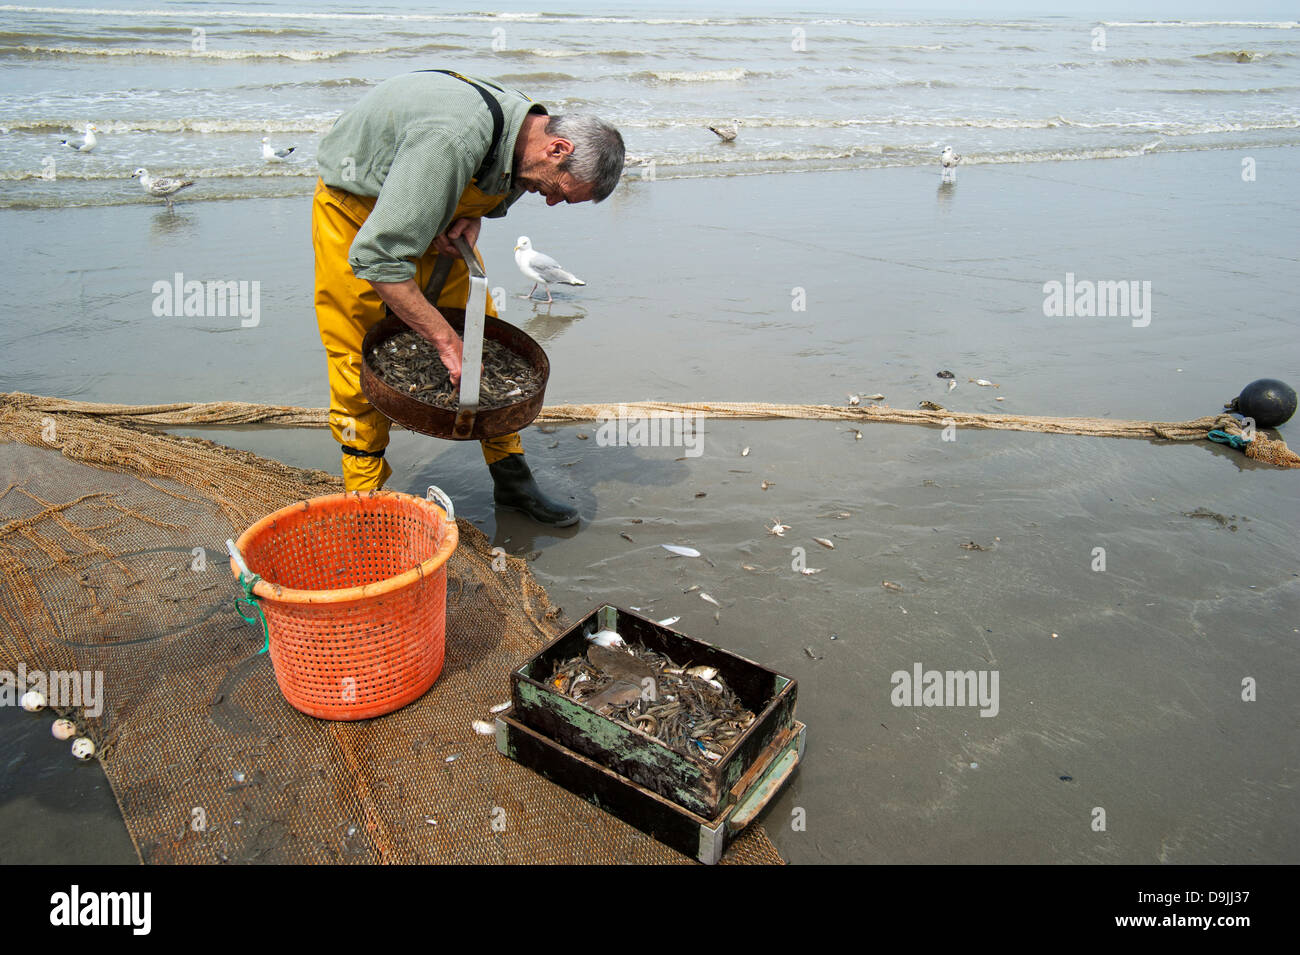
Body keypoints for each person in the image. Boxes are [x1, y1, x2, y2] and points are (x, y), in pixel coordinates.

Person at [312, 69, 624, 526]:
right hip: (359, 217)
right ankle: (366, 503)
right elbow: (377, 258)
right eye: (557, 192)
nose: (549, 203)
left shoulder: (528, 133)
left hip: (434, 211)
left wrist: (472, 216)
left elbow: (493, 183)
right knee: (358, 356)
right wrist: (443, 341)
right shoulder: (451, 141)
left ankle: (512, 480)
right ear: (558, 149)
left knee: (481, 334)